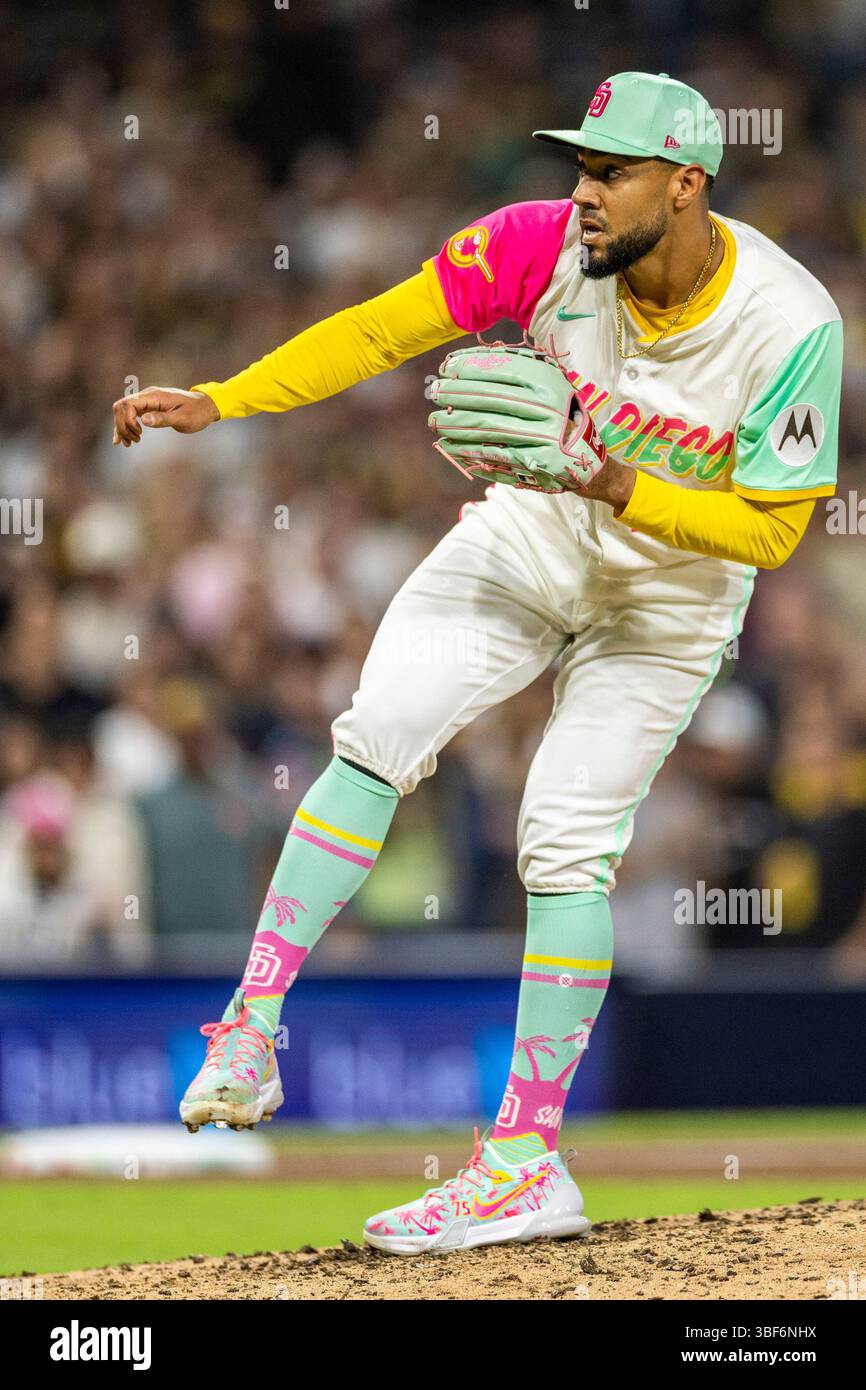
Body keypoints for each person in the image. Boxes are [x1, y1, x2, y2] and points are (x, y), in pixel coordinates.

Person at [112, 72, 842, 1256]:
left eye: (610, 171)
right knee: (377, 729)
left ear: (685, 182)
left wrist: (604, 477)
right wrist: (226, 400)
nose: (583, 192)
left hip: (670, 597)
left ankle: (521, 1161)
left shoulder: (789, 319)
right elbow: (378, 327)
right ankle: (249, 1026)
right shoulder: (533, 245)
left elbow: (768, 531)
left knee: (561, 837)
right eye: (579, 165)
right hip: (529, 534)